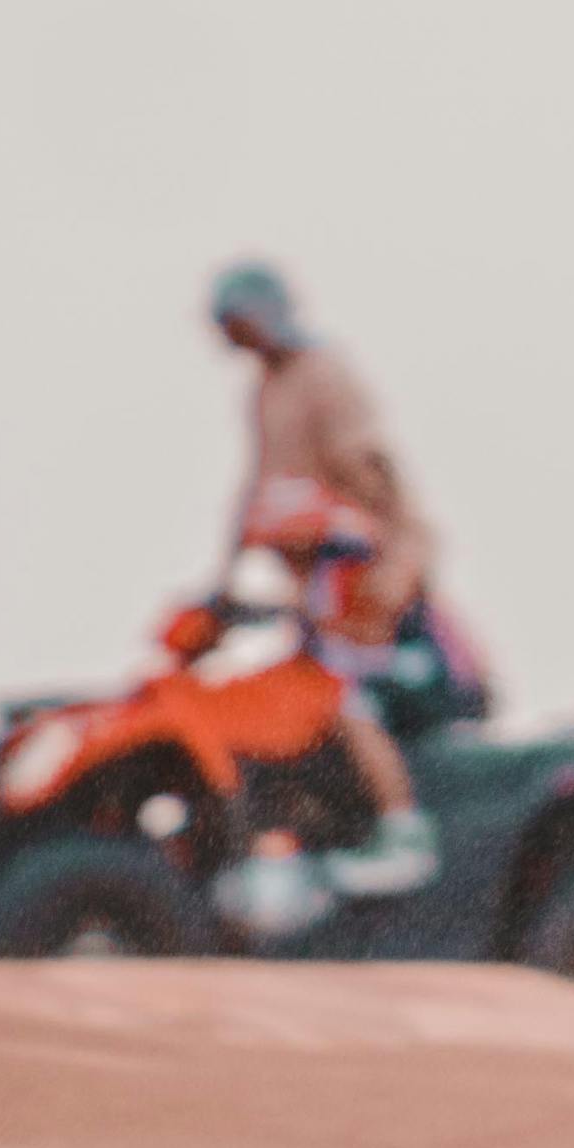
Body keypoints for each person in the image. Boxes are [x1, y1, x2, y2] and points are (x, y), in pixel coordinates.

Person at [206, 260, 453, 893]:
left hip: (366, 569)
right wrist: (224, 581)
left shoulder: (323, 375)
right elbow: (258, 489)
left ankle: (402, 829)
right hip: (318, 577)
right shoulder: (266, 391)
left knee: (343, 698)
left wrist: (391, 555)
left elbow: (369, 466)